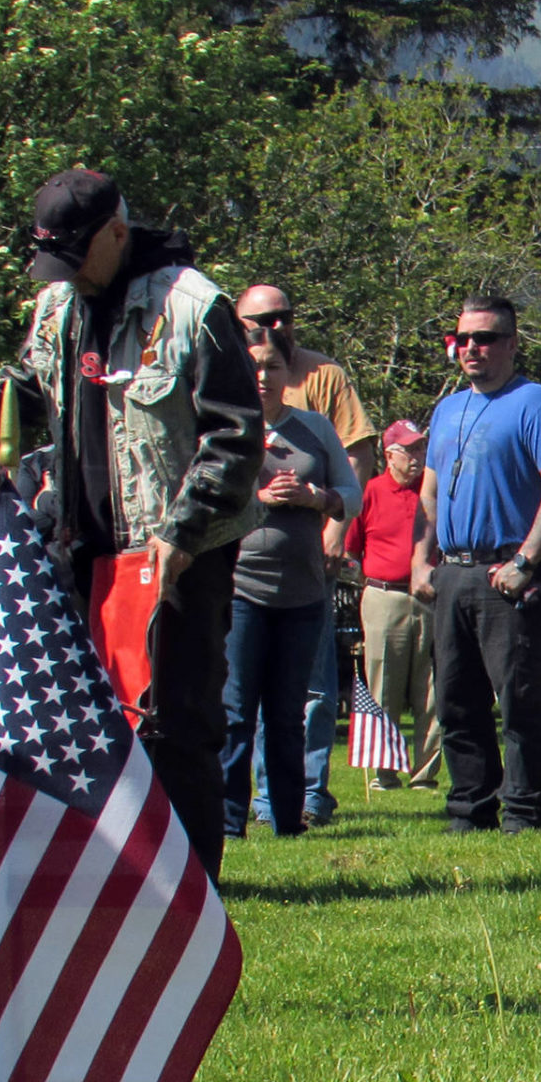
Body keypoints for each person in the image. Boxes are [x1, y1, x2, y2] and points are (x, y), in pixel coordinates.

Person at [0, 169, 262, 879]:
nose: (66, 276)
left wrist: (183, 532)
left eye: (76, 258)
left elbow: (235, 437)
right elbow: (24, 401)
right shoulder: (55, 305)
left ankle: (190, 885)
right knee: (87, 721)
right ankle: (111, 876)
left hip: (176, 552)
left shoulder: (192, 305)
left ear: (115, 231)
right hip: (81, 550)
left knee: (179, 720)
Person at [410, 296, 541, 834]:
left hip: (508, 574)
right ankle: (470, 810)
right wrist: (422, 560)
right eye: (461, 339)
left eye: (484, 338)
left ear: (510, 343)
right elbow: (431, 491)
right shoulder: (447, 410)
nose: (470, 349)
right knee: (457, 703)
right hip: (454, 572)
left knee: (519, 700)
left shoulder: (535, 405)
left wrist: (527, 561)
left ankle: (526, 814)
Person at [237, 284, 377, 827]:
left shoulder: (325, 377)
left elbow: (358, 454)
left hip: (309, 554)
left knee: (309, 688)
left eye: (284, 317)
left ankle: (307, 798)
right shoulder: (226, 388)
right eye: (261, 320)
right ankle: (249, 802)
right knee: (240, 693)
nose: (275, 327)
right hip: (244, 571)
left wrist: (334, 529)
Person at [221, 340, 359, 836]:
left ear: (288, 373)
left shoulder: (315, 429)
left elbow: (351, 493)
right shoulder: (226, 429)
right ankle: (229, 819)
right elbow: (207, 496)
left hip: (303, 592)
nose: (262, 377)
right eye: (253, 367)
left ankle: (287, 819)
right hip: (240, 589)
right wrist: (258, 497)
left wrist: (313, 496)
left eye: (272, 367)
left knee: (286, 712)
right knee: (236, 710)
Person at [345, 419, 442, 790]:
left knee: (432, 690)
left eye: (421, 449)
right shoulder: (369, 491)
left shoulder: (432, 493)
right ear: (389, 455)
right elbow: (350, 549)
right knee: (383, 684)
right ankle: (384, 772)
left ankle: (425, 774)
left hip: (430, 597)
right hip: (383, 596)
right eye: (410, 450)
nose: (417, 457)